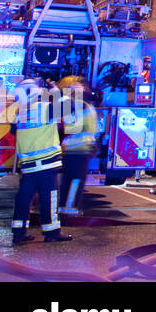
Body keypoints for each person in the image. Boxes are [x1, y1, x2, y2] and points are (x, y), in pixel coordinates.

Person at [8, 79, 72, 244]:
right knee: (49, 197)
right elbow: (70, 106)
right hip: (46, 164)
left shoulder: (19, 114)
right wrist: (55, 90)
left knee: (23, 198)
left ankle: (18, 233)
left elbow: (14, 131)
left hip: (28, 167)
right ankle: (52, 232)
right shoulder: (45, 109)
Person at [58, 82, 99, 216]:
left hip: (68, 148)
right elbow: (92, 129)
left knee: (66, 179)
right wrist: (94, 145)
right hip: (81, 149)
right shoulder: (87, 108)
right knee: (76, 180)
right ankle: (70, 207)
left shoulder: (65, 106)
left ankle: (62, 205)